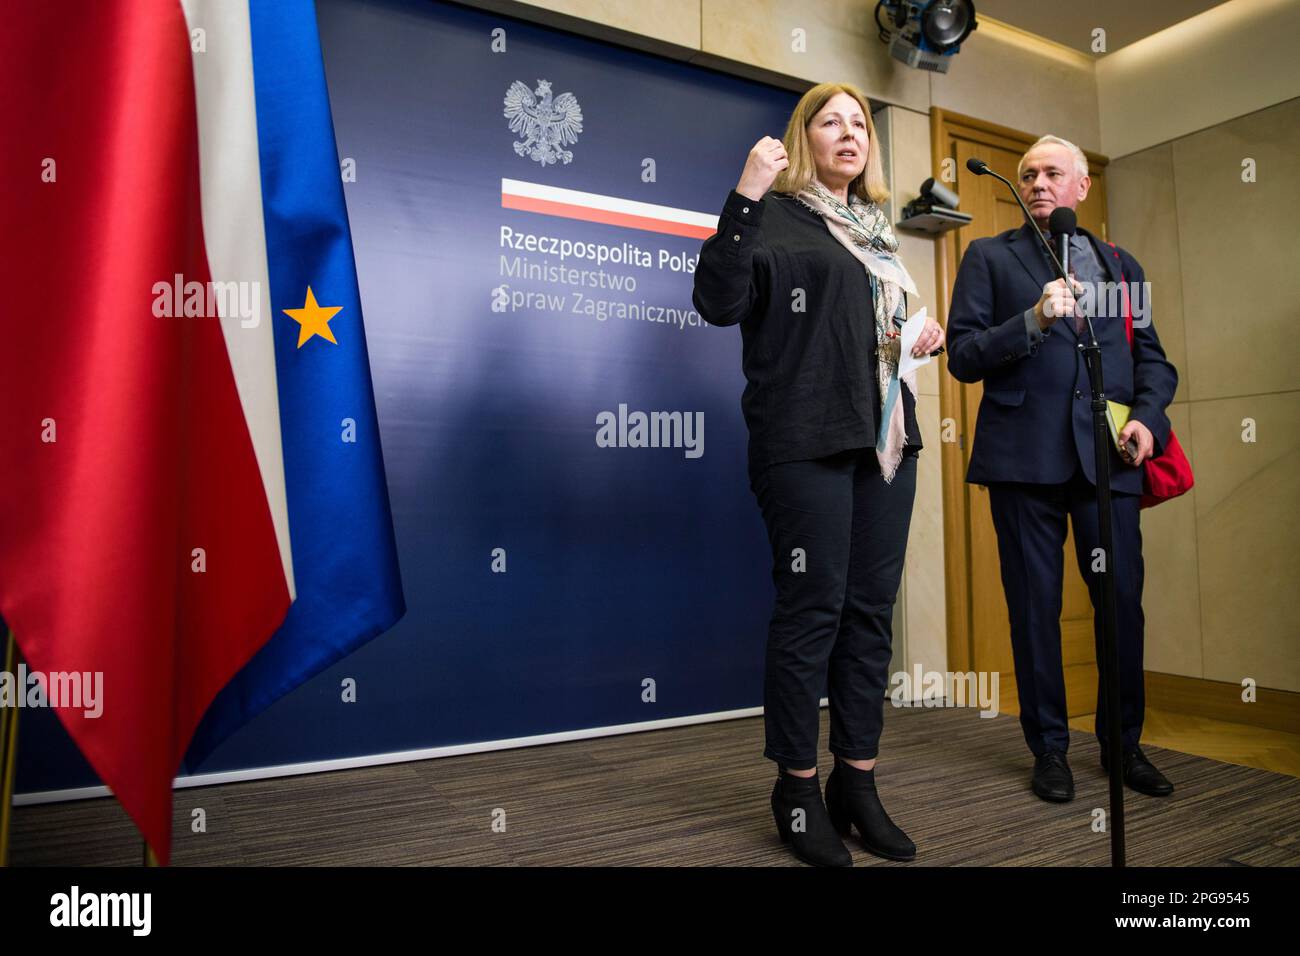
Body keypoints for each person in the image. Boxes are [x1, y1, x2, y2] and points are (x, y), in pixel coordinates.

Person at [691, 82, 944, 867]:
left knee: (870, 614)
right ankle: (796, 790)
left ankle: (857, 782)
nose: (849, 132)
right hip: (803, 439)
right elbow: (717, 302)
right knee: (815, 609)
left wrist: (915, 332)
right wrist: (745, 193)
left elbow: (866, 331)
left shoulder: (878, 232)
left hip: (885, 442)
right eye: (829, 121)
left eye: (859, 122)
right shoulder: (774, 211)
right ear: (803, 137)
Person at [946, 134, 1178, 804]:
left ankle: (1122, 745)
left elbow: (1155, 362)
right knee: (1033, 609)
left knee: (1120, 606)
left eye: (1053, 173)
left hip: (1109, 461)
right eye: (1028, 174)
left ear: (1082, 187)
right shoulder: (991, 257)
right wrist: (1035, 317)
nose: (1039, 182)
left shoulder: (1121, 265)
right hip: (1024, 463)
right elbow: (963, 356)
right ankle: (1050, 749)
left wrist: (1148, 420)